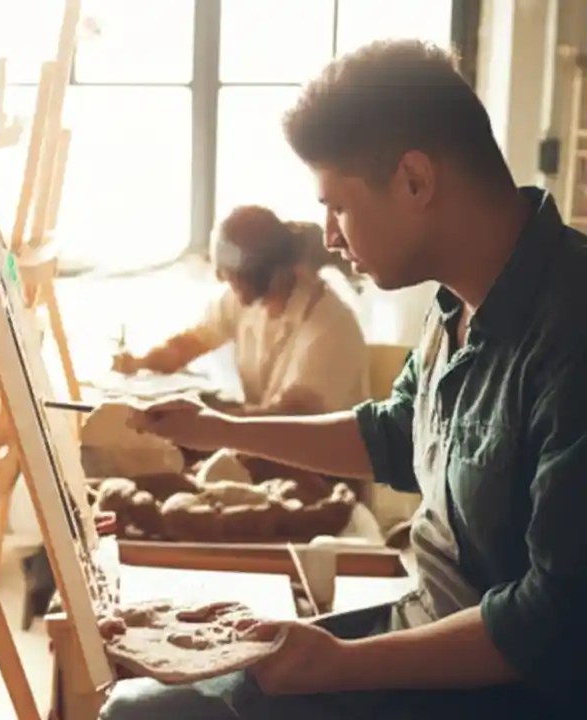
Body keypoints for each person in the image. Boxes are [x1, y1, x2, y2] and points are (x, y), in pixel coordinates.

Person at [100, 39, 585, 719]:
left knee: (144, 715)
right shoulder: (456, 304)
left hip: (507, 689)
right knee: (140, 695)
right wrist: (215, 427)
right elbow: (392, 435)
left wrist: (345, 664)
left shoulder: (571, 328)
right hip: (418, 632)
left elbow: (554, 620)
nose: (328, 235)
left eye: (338, 205)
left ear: (415, 181)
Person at [113, 205, 369, 416]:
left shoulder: (330, 325)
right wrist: (138, 363)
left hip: (320, 464)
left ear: (266, 270)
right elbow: (187, 345)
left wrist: (210, 419)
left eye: (230, 271)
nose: (221, 278)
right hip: (270, 445)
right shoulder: (245, 299)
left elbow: (292, 415)